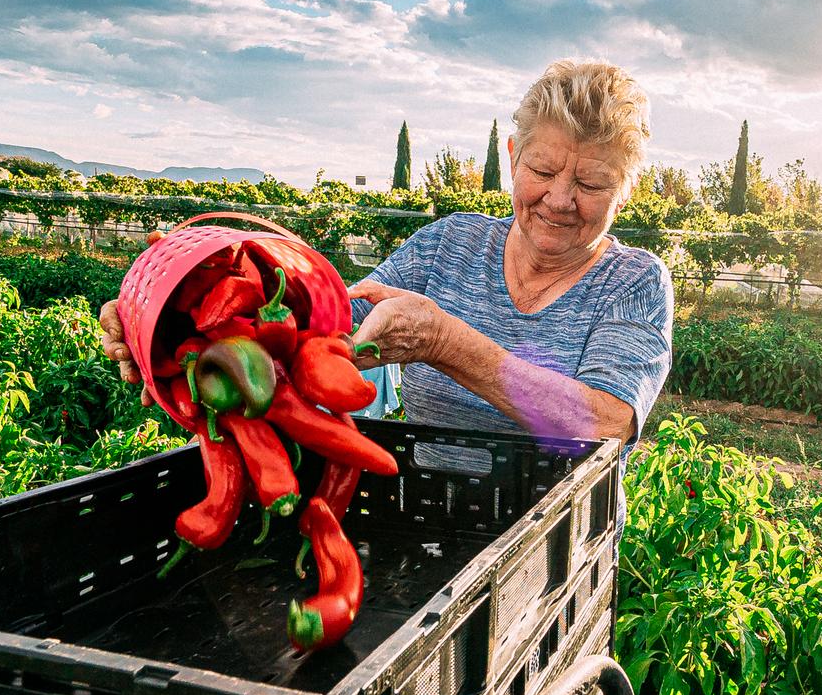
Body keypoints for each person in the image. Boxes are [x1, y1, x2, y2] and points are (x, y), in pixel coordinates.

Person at [100, 59, 674, 450]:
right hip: (428, 529)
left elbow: (605, 421)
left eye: (592, 183)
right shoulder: (449, 247)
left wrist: (446, 344)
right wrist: (177, 319)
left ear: (626, 189)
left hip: (558, 558)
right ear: (512, 155)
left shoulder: (633, 282)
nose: (560, 199)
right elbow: (327, 325)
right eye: (542, 171)